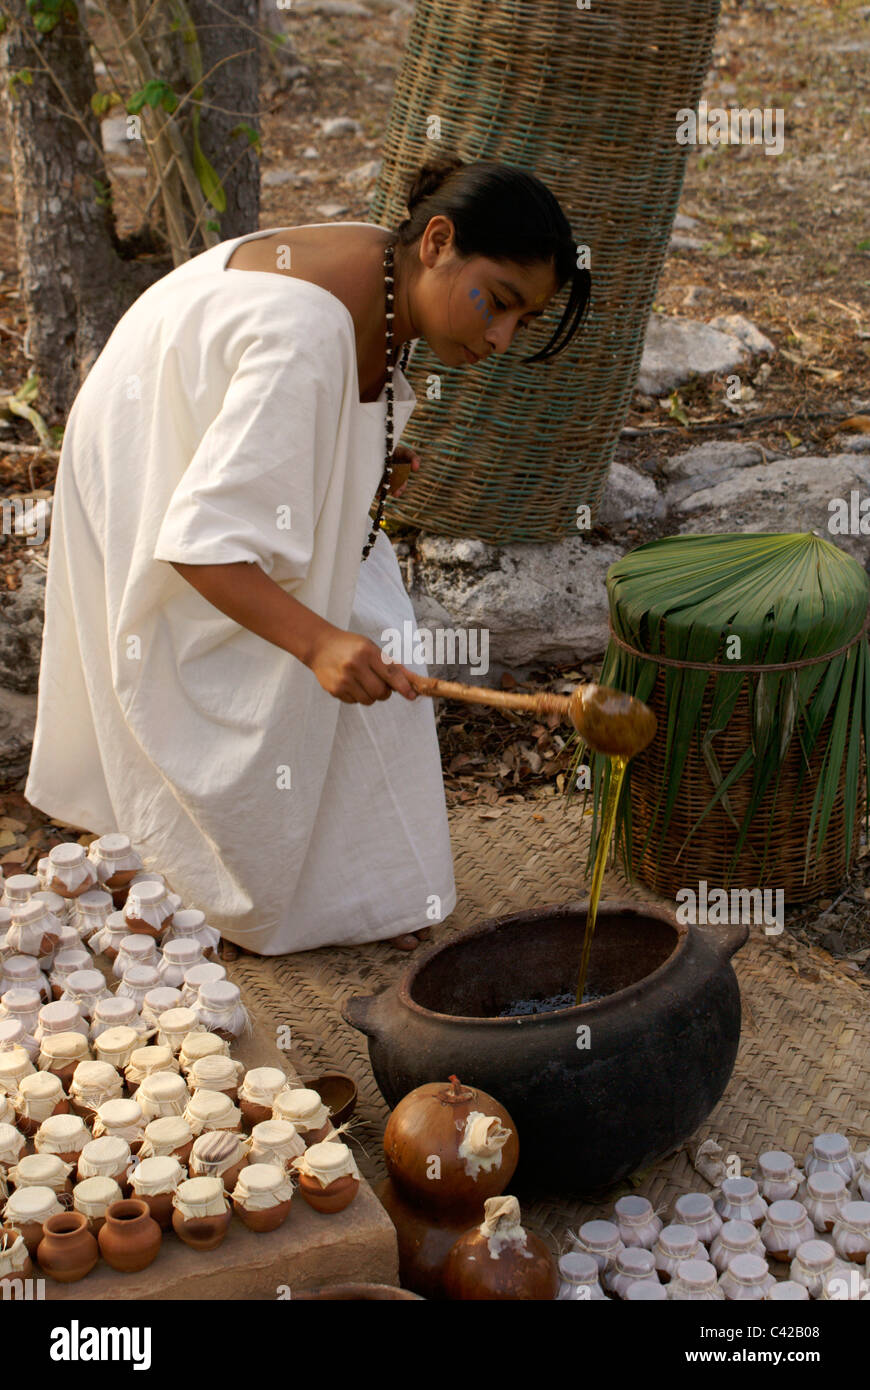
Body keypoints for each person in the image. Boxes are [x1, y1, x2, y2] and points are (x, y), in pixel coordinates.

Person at [24, 155, 591, 957]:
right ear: (437, 240)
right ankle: (241, 889)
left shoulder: (382, 265)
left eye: (522, 321)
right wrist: (316, 644)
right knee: (315, 657)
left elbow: (283, 417)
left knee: (379, 625)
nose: (501, 337)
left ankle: (369, 889)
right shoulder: (309, 329)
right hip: (150, 477)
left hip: (191, 461)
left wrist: (353, 457)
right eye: (497, 303)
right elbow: (200, 548)